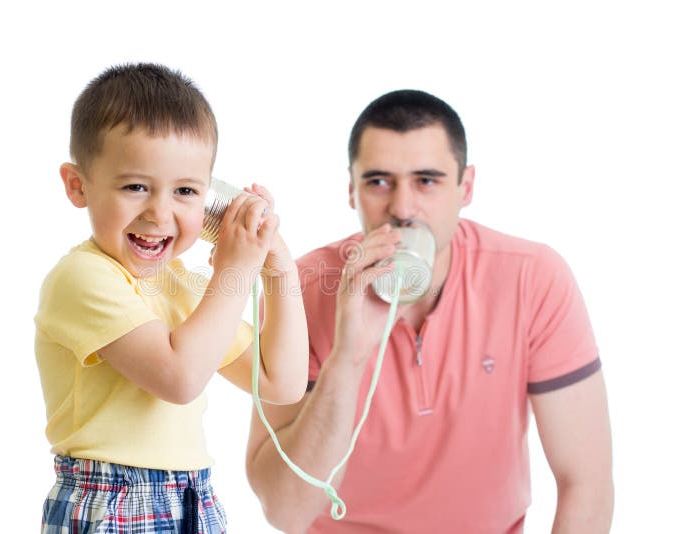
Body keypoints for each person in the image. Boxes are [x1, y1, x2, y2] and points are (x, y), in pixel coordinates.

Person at [245, 90, 613, 533]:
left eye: (427, 181)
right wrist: (349, 359)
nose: (402, 208)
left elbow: (586, 484)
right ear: (351, 189)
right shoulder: (299, 289)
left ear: (467, 186)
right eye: (379, 181)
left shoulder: (533, 279)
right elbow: (286, 512)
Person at [34, 63, 308, 533]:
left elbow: (280, 383)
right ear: (79, 185)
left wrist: (276, 266)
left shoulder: (186, 288)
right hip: (113, 502)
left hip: (192, 500)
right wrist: (235, 270)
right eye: (135, 186)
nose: (160, 212)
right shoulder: (83, 277)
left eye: (185, 191)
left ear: (210, 202)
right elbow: (179, 379)